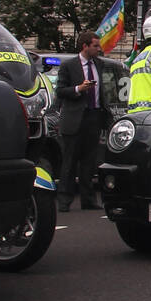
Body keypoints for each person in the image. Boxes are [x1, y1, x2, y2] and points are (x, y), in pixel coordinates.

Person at [55, 31, 111, 212]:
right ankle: (64, 201)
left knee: (89, 162)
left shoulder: (99, 65)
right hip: (74, 118)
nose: (99, 48)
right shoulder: (69, 65)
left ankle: (88, 200)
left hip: (93, 117)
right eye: (95, 45)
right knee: (69, 162)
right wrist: (79, 88)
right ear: (85, 46)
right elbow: (61, 90)